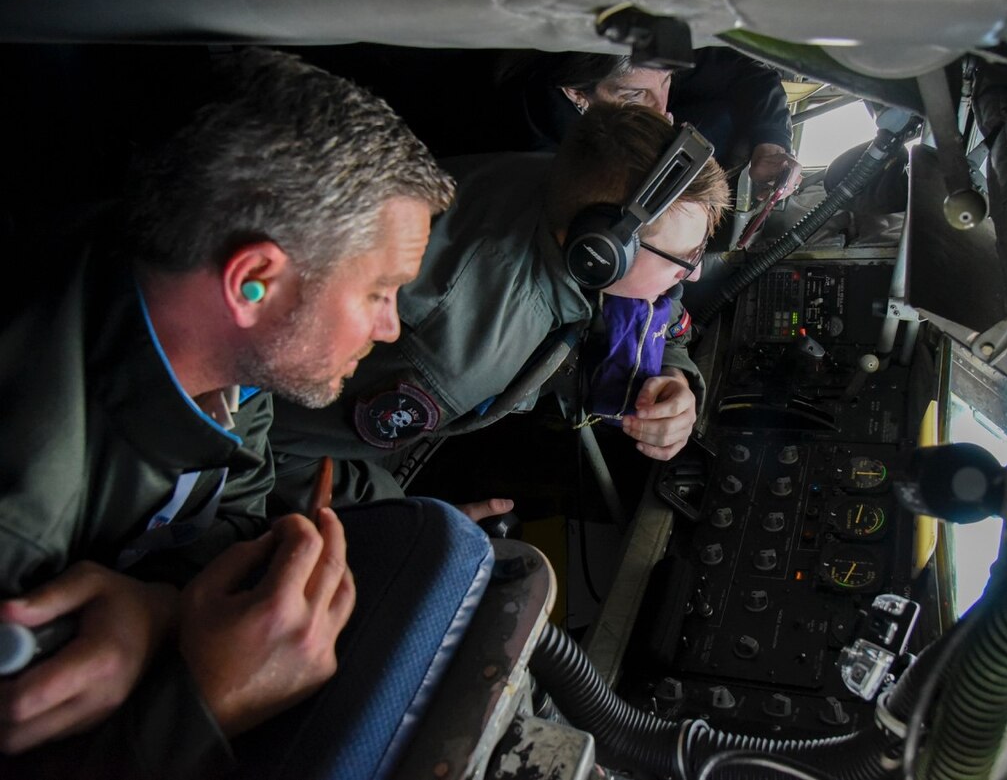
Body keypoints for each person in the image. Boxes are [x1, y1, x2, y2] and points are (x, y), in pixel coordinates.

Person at [0, 47, 455, 778]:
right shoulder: (19, 508)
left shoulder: (230, 357)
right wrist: (205, 699)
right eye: (378, 291)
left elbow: (233, 509)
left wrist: (160, 613)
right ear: (252, 283)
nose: (391, 327)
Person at [267, 103, 731, 515]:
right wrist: (402, 521)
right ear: (601, 252)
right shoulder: (454, 356)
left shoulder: (578, 194)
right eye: (682, 261)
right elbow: (279, 445)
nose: (690, 276)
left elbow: (661, 307)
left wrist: (676, 375)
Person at [507, 47, 802, 197]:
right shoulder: (538, 143)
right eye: (636, 94)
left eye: (667, 80)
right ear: (576, 92)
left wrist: (772, 143)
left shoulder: (652, 59)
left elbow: (753, 76)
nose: (661, 107)